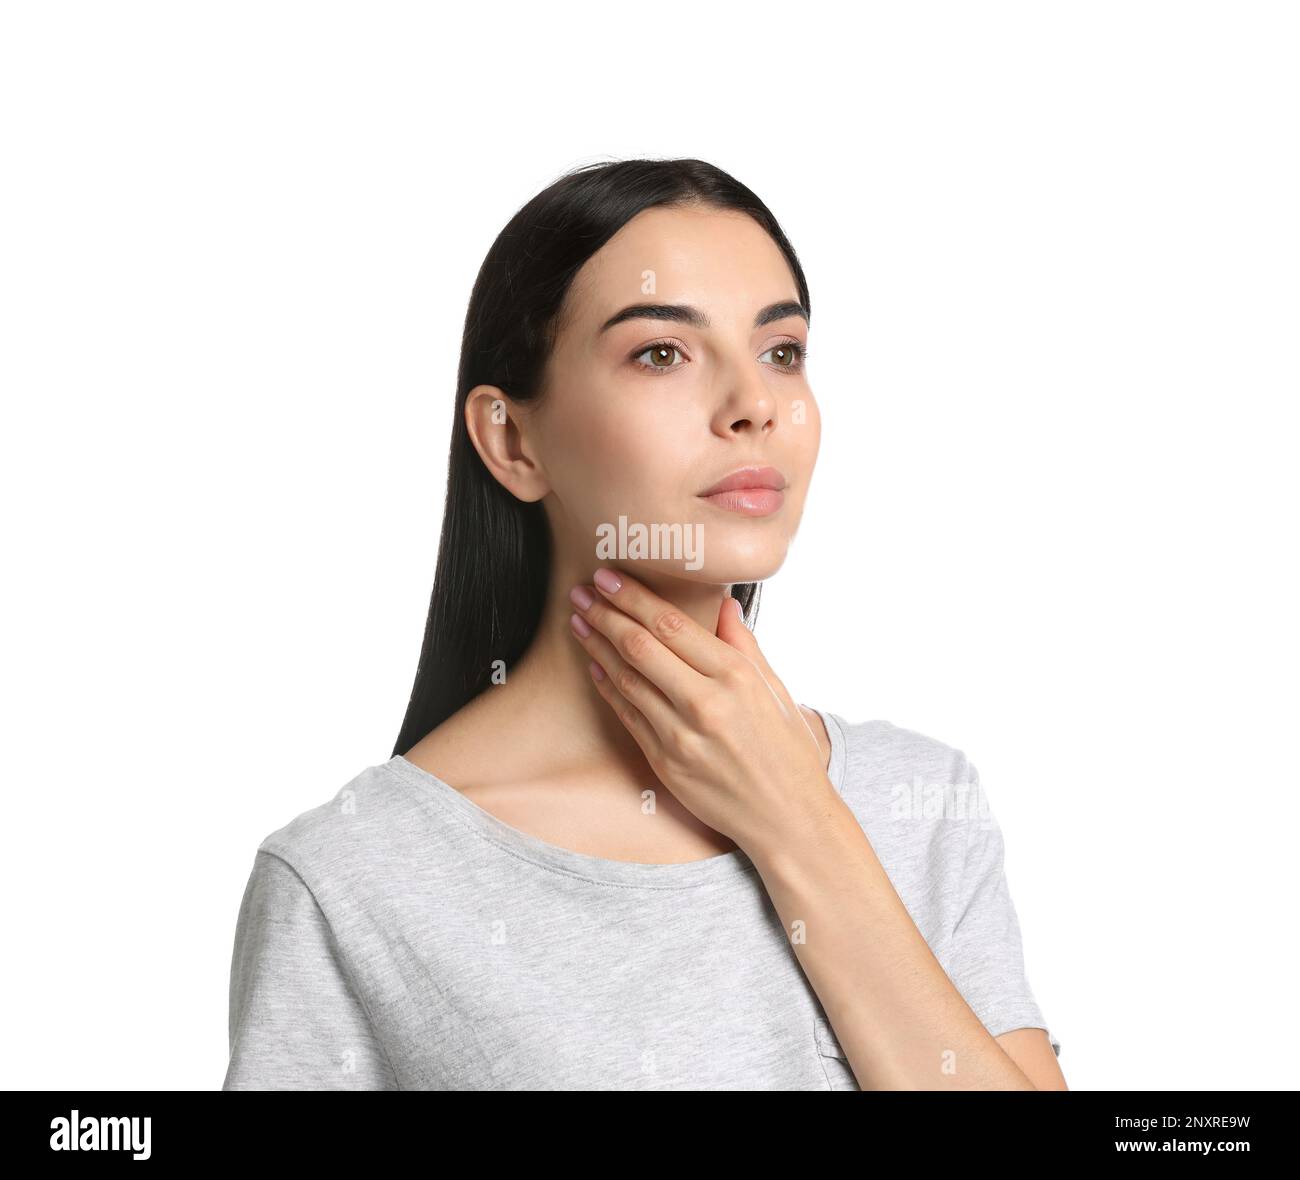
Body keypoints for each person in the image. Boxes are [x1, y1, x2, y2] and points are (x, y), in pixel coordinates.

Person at [222, 158, 1065, 1091]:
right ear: (511, 439)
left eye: (781, 351)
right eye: (662, 353)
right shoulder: (353, 880)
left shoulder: (923, 802)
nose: (754, 405)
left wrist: (798, 821)